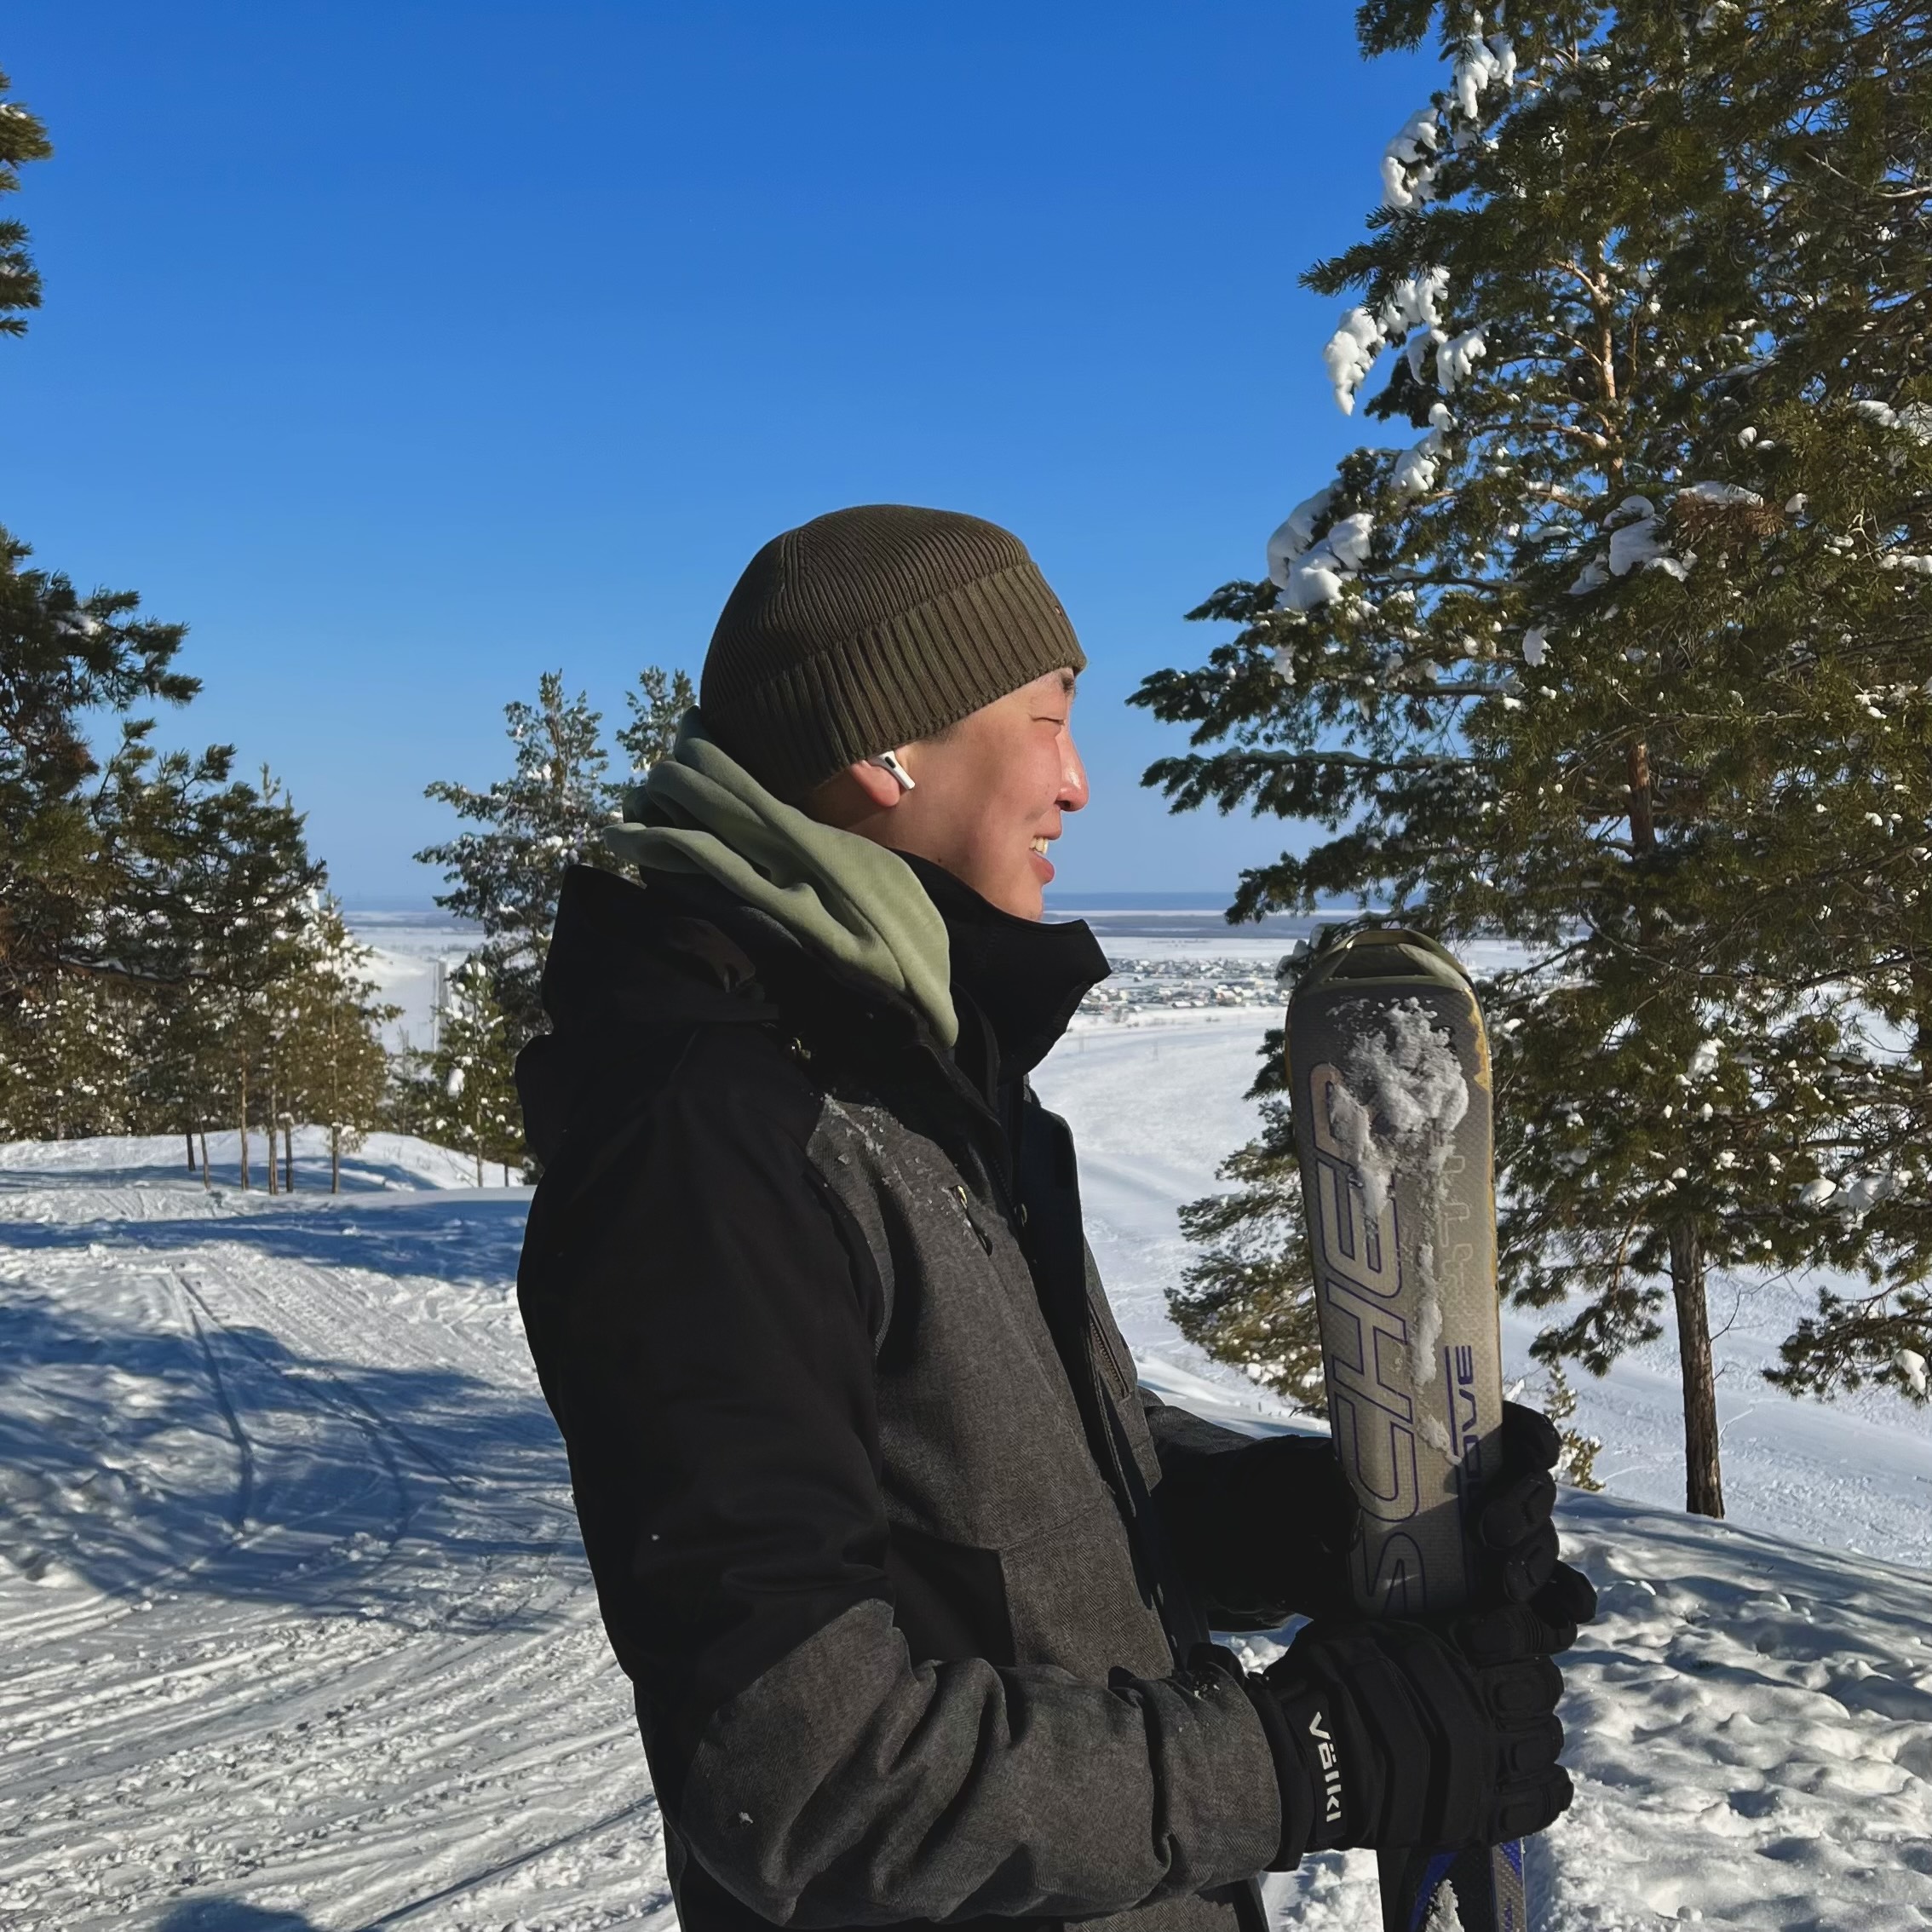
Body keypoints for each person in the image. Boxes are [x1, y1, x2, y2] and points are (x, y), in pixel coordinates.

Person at [514, 504, 1594, 1932]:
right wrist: (1304, 1760)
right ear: (886, 748)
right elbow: (804, 1776)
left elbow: (1006, 1495)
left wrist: (1302, 1522)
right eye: (1047, 717)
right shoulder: (707, 1138)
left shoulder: (913, 1070)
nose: (1079, 783)